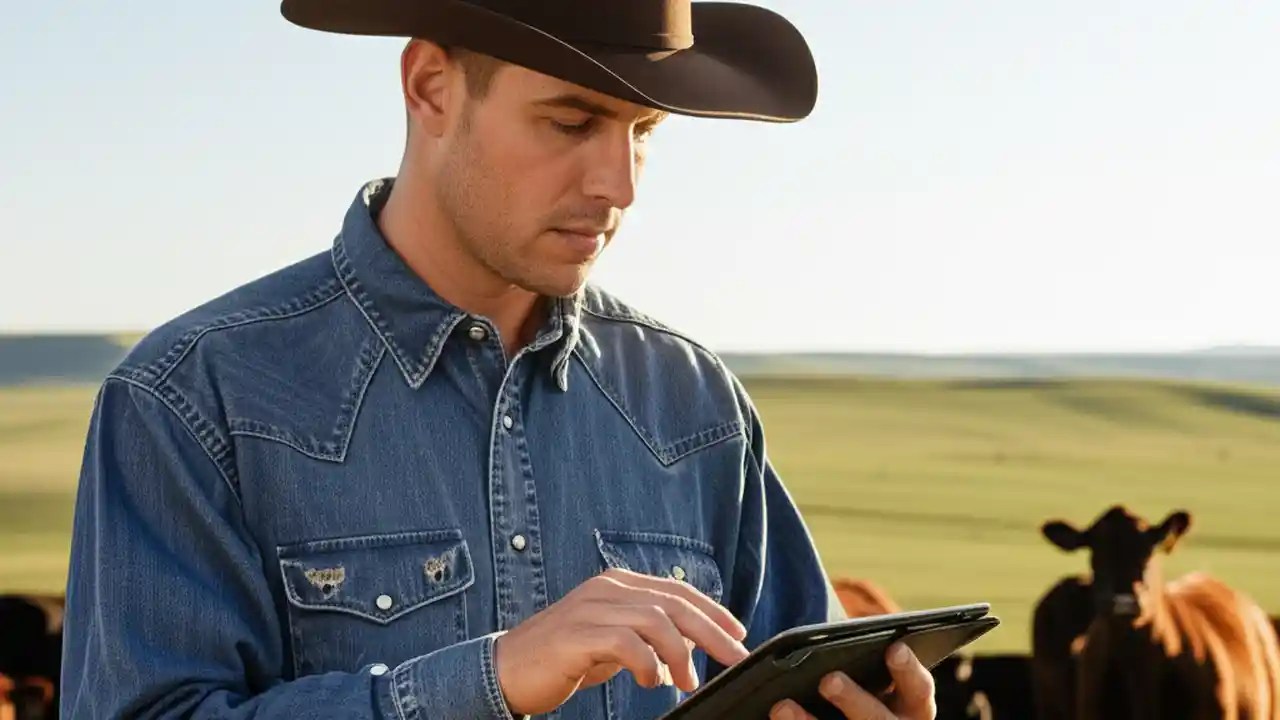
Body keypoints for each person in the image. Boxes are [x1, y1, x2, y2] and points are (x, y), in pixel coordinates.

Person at [60, 0, 938, 718]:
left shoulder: (693, 404)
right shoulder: (195, 398)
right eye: (571, 121)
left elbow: (794, 671)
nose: (618, 184)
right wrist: (488, 677)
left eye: (643, 132)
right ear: (431, 86)